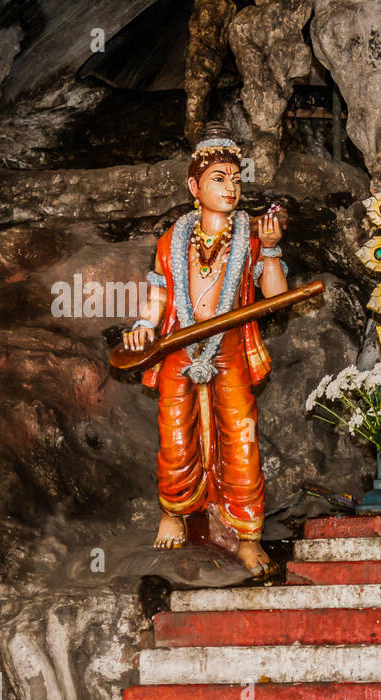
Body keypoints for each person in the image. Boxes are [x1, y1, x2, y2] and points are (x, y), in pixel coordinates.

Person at [121, 123, 288, 575]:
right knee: (175, 433)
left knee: (241, 434)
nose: (231, 187)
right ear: (194, 186)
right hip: (179, 345)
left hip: (229, 348)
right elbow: (158, 296)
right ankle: (174, 512)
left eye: (236, 177)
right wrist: (143, 326)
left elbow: (275, 299)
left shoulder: (251, 237)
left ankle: (248, 535)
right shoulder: (171, 239)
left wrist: (270, 250)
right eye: (219, 178)